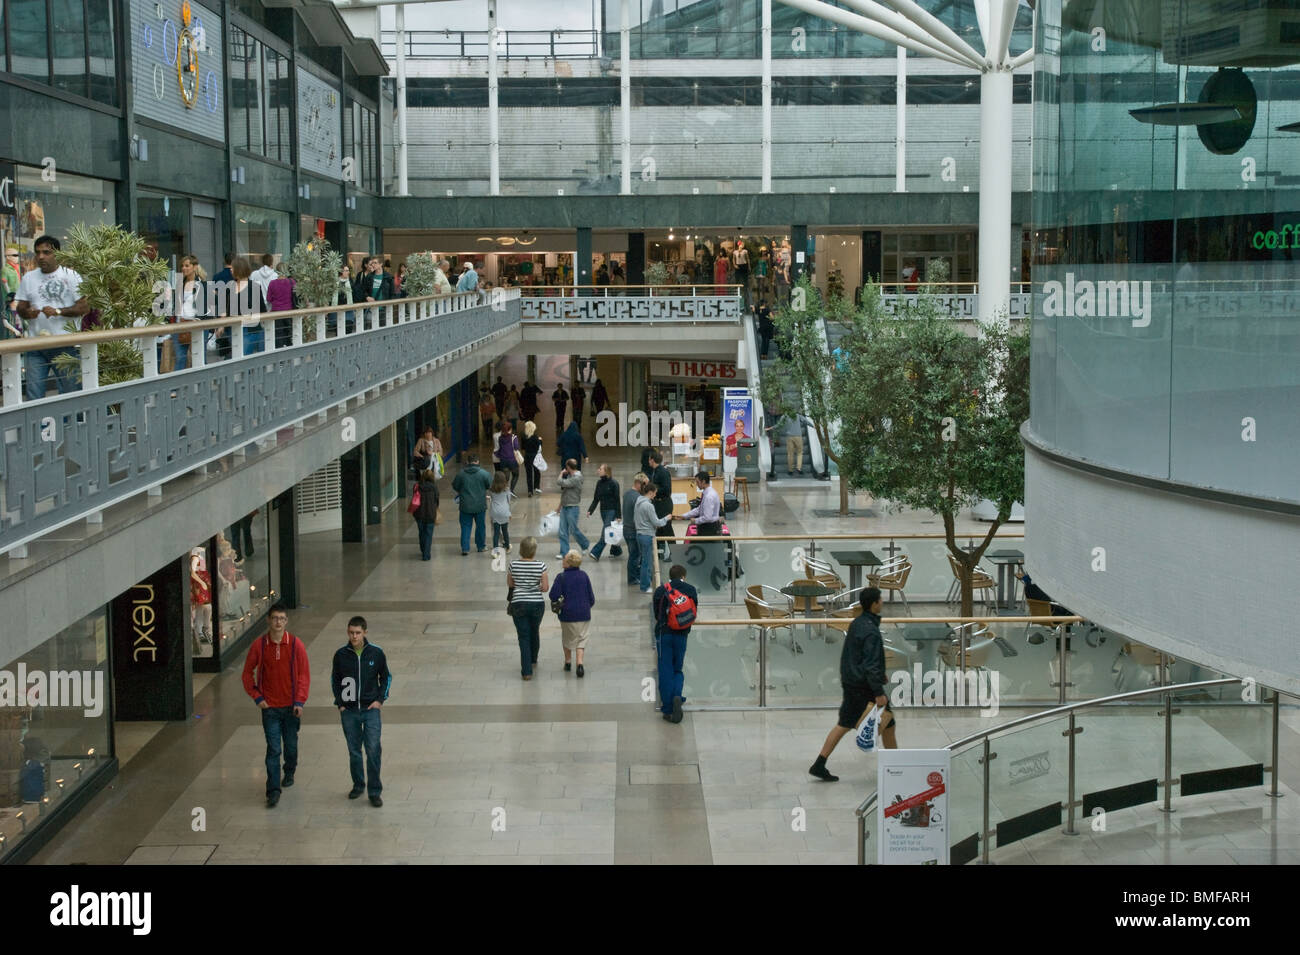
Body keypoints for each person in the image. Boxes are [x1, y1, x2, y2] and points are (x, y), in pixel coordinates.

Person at [809, 587, 897, 781]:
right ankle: (895, 766)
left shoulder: (857, 623)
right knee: (887, 721)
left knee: (845, 723)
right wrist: (878, 691)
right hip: (864, 687)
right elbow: (870, 663)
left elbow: (855, 656)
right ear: (874, 604)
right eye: (880, 600)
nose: (882, 602)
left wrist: (878, 676)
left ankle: (820, 763)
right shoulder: (871, 631)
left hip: (851, 682)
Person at [241, 603, 310, 807]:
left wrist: (300, 701)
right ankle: (272, 790)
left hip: (290, 707)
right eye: (275, 618)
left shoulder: (296, 645)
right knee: (273, 749)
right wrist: (256, 696)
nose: (278, 622)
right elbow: (247, 673)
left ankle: (289, 770)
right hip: (269, 708)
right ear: (268, 621)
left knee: (290, 746)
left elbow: (304, 675)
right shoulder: (260, 646)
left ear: (286, 621)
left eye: (281, 618)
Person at [14, 234, 89, 400]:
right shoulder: (28, 278)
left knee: (71, 392)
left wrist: (59, 311)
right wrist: (27, 313)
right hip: (36, 346)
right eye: (38, 252)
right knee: (34, 394)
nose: (41, 256)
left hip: (65, 344)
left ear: (57, 254)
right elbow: (21, 307)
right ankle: (36, 426)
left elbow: (84, 307)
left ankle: (72, 425)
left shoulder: (71, 276)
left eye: (46, 252)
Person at [331, 615, 391, 807]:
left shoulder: (376, 653)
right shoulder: (341, 655)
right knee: (354, 751)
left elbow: (386, 677)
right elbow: (335, 680)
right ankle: (358, 784)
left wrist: (380, 700)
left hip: (370, 709)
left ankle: (374, 791)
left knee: (373, 749)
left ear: (365, 632)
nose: (354, 636)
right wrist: (340, 703)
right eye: (351, 633)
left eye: (357, 633)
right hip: (349, 711)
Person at [653, 564, 699, 723]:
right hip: (682, 635)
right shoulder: (691, 590)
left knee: (665, 670)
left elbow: (656, 615)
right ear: (683, 576)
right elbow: (693, 613)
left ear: (670, 576)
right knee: (677, 669)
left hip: (663, 634)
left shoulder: (661, 591)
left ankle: (667, 708)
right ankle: (677, 695)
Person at [507, 537, 549, 680]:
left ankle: (526, 672)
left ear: (521, 549)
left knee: (523, 636)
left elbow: (510, 584)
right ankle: (533, 658)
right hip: (537, 603)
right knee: (534, 630)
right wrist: (534, 586)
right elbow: (545, 588)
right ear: (534, 551)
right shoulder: (541, 565)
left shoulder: (513, 564)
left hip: (518, 603)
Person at [550, 551, 596, 677]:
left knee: (567, 638)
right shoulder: (584, 575)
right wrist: (587, 606)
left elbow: (552, 595)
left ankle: (568, 662)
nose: (563, 561)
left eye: (564, 559)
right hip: (584, 613)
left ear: (569, 563)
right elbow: (591, 597)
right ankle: (580, 664)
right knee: (582, 638)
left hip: (567, 614)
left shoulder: (561, 577)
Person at [213, 256, 268, 359]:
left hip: (249, 330)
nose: (230, 269)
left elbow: (262, 309)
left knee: (242, 359)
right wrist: (221, 325)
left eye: (233, 267)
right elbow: (224, 307)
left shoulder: (254, 287)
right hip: (232, 329)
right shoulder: (230, 286)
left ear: (240, 268)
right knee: (236, 358)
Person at [168, 254, 209, 370]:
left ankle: (202, 384)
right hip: (180, 325)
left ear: (195, 267)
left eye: (187, 266)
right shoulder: (179, 284)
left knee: (200, 359)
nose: (184, 268)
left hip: (196, 326)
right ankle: (177, 387)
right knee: (180, 357)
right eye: (182, 266)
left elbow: (206, 308)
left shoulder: (202, 285)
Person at [452, 453, 492, 555]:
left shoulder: (461, 474)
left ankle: (465, 548)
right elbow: (489, 485)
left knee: (465, 526)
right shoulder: (484, 474)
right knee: (480, 526)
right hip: (480, 505)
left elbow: (455, 486)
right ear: (477, 462)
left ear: (468, 462)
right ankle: (481, 546)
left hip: (465, 505)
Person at [634, 482, 671, 593]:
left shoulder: (638, 501)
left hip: (640, 534)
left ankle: (647, 581)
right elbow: (656, 522)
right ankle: (645, 586)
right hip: (647, 536)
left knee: (645, 560)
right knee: (647, 562)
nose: (655, 495)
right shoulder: (648, 505)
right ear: (650, 492)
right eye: (654, 493)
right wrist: (666, 518)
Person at [556, 459, 591, 560]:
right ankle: (564, 552)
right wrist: (559, 506)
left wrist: (561, 473)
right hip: (565, 506)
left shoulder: (576, 477)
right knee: (562, 530)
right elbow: (565, 493)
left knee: (573, 529)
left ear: (568, 467)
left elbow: (560, 482)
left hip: (573, 507)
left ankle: (585, 544)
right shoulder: (571, 476)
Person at [587, 464, 622, 561]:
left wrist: (619, 515)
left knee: (606, 532)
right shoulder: (599, 483)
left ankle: (595, 552)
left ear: (606, 471)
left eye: (600, 469)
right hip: (603, 511)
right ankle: (616, 550)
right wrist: (590, 510)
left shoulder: (614, 483)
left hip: (612, 511)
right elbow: (596, 499)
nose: (598, 470)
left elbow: (617, 500)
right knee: (610, 530)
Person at [647, 450, 675, 561]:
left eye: (649, 459)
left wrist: (654, 490)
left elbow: (667, 490)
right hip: (657, 503)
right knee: (659, 529)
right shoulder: (655, 471)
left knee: (667, 528)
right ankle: (659, 552)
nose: (648, 461)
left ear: (652, 460)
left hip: (664, 503)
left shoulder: (662, 472)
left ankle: (674, 553)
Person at [623, 474, 647, 585]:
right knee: (635, 555)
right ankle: (632, 579)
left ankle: (635, 576)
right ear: (638, 483)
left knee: (634, 554)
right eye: (644, 485)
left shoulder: (627, 494)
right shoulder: (637, 497)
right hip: (633, 530)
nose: (646, 488)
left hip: (626, 529)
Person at [411, 466, 439, 560]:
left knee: (421, 532)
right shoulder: (434, 487)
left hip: (419, 513)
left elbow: (414, 498)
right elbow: (436, 500)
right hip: (431, 513)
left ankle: (423, 549)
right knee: (428, 533)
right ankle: (426, 554)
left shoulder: (417, 486)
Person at [683, 469, 721, 538]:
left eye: (697, 482)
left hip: (709, 528)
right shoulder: (707, 493)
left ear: (703, 481)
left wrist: (695, 521)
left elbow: (707, 517)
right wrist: (685, 516)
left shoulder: (709, 496)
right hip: (708, 526)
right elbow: (700, 509)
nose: (696, 485)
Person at [266, 265, 296, 349]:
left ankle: (279, 357)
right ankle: (290, 354)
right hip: (289, 312)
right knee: (289, 333)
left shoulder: (272, 283)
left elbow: (268, 298)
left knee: (278, 335)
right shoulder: (292, 282)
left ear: (276, 271)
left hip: (276, 312)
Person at [489, 469, 512, 552]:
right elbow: (509, 501)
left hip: (495, 512)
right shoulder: (506, 489)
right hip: (504, 511)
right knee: (505, 530)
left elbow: (491, 498)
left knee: (496, 532)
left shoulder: (491, 489)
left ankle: (495, 549)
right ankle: (507, 546)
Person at [494, 420, 521, 492]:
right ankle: (511, 490)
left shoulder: (500, 438)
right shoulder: (514, 437)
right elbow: (516, 447)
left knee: (506, 477)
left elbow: (500, 447)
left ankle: (505, 490)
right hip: (512, 460)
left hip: (503, 460)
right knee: (515, 475)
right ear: (510, 429)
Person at [521, 419, 543, 496]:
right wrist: (540, 441)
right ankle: (536, 487)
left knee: (529, 474)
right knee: (537, 472)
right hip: (535, 456)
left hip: (527, 456)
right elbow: (538, 448)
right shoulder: (536, 437)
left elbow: (523, 447)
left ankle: (530, 491)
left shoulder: (524, 437)